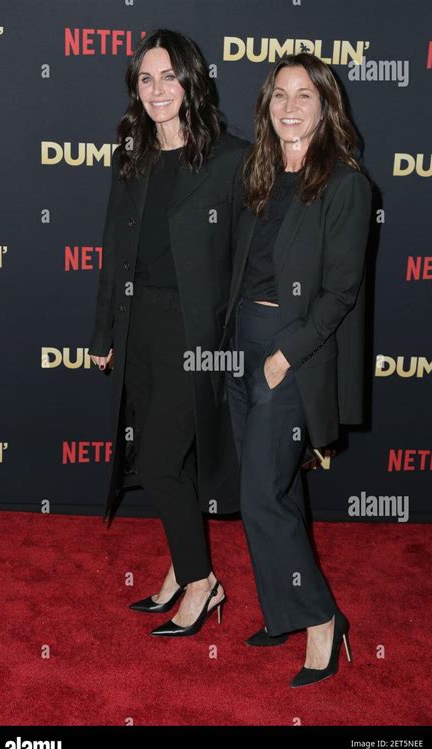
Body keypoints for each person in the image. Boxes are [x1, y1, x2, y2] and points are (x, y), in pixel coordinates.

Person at [88, 29, 249, 637]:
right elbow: (113, 248)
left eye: (169, 76)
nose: (158, 90)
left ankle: (203, 582)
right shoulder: (131, 152)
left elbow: (248, 258)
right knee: (165, 461)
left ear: (193, 81)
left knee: (158, 460)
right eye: (146, 78)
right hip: (138, 326)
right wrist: (104, 331)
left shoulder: (232, 160)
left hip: (195, 336)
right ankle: (184, 570)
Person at [218, 53, 372, 686]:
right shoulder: (258, 174)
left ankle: (320, 621)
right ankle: (282, 610)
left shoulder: (346, 184)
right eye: (278, 94)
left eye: (303, 95)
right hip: (240, 342)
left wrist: (284, 356)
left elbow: (340, 293)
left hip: (290, 350)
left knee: (260, 495)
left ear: (326, 106)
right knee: (271, 489)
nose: (288, 105)